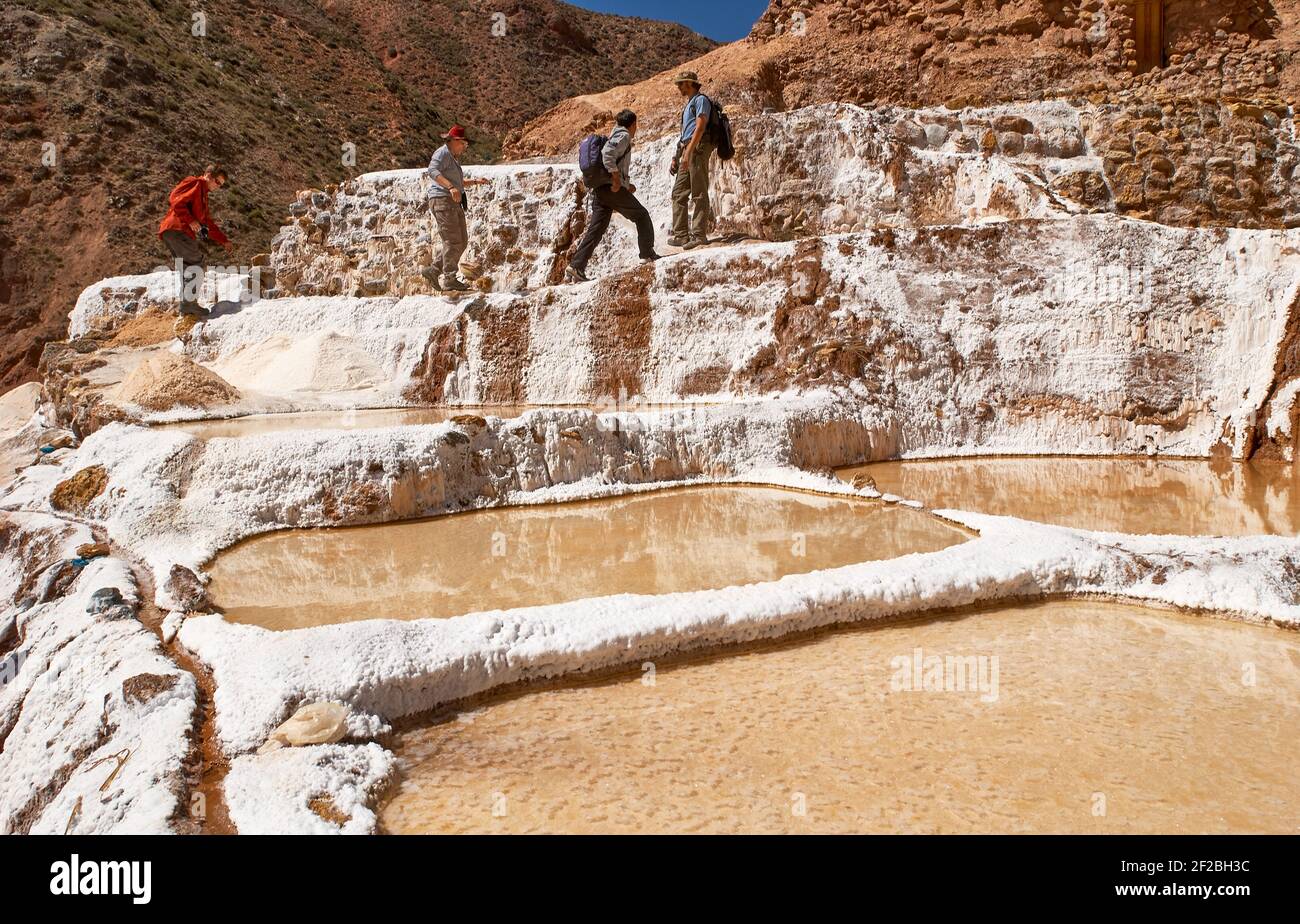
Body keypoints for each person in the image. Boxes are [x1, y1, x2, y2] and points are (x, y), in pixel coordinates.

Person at [565, 109, 660, 283]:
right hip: (610, 188)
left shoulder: (614, 134)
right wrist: (616, 180)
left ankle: (576, 265)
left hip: (600, 190)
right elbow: (608, 154)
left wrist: (626, 184)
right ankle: (647, 254)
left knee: (596, 229)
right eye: (635, 125)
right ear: (633, 125)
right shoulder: (623, 136)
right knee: (641, 215)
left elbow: (612, 159)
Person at [158, 164, 230, 314]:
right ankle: (188, 305)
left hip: (172, 231)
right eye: (217, 182)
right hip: (178, 229)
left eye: (221, 185)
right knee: (195, 264)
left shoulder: (203, 195)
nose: (217, 187)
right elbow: (175, 199)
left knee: (186, 267)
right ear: (208, 175)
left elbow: (207, 222)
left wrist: (223, 240)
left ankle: (186, 305)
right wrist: (190, 220)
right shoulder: (196, 183)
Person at [424, 124, 489, 292]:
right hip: (443, 200)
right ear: (455, 140)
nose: (465, 148)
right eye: (464, 144)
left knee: (461, 241)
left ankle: (434, 270)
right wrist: (451, 188)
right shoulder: (443, 153)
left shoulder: (452, 158)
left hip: (452, 202)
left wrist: (474, 182)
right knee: (452, 241)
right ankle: (449, 279)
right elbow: (432, 170)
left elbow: (457, 183)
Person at [668, 71, 714, 250]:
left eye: (680, 84)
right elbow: (685, 133)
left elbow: (700, 127)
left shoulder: (700, 100)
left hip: (697, 148)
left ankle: (699, 235)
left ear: (689, 83)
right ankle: (681, 235)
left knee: (699, 191)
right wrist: (677, 155)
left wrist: (689, 152)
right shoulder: (688, 105)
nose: (678, 87)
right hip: (687, 148)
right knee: (678, 193)